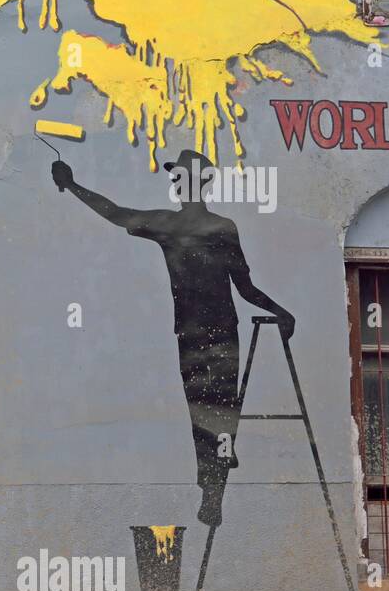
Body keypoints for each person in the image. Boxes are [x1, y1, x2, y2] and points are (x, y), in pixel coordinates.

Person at [51, 150, 295, 527]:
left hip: (204, 333)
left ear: (196, 183)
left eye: (181, 177)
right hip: (209, 332)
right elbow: (118, 214)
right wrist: (73, 184)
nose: (176, 183)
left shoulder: (190, 227)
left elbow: (119, 215)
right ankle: (214, 484)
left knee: (209, 414)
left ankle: (213, 484)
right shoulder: (201, 226)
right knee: (217, 414)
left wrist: (72, 184)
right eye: (176, 177)